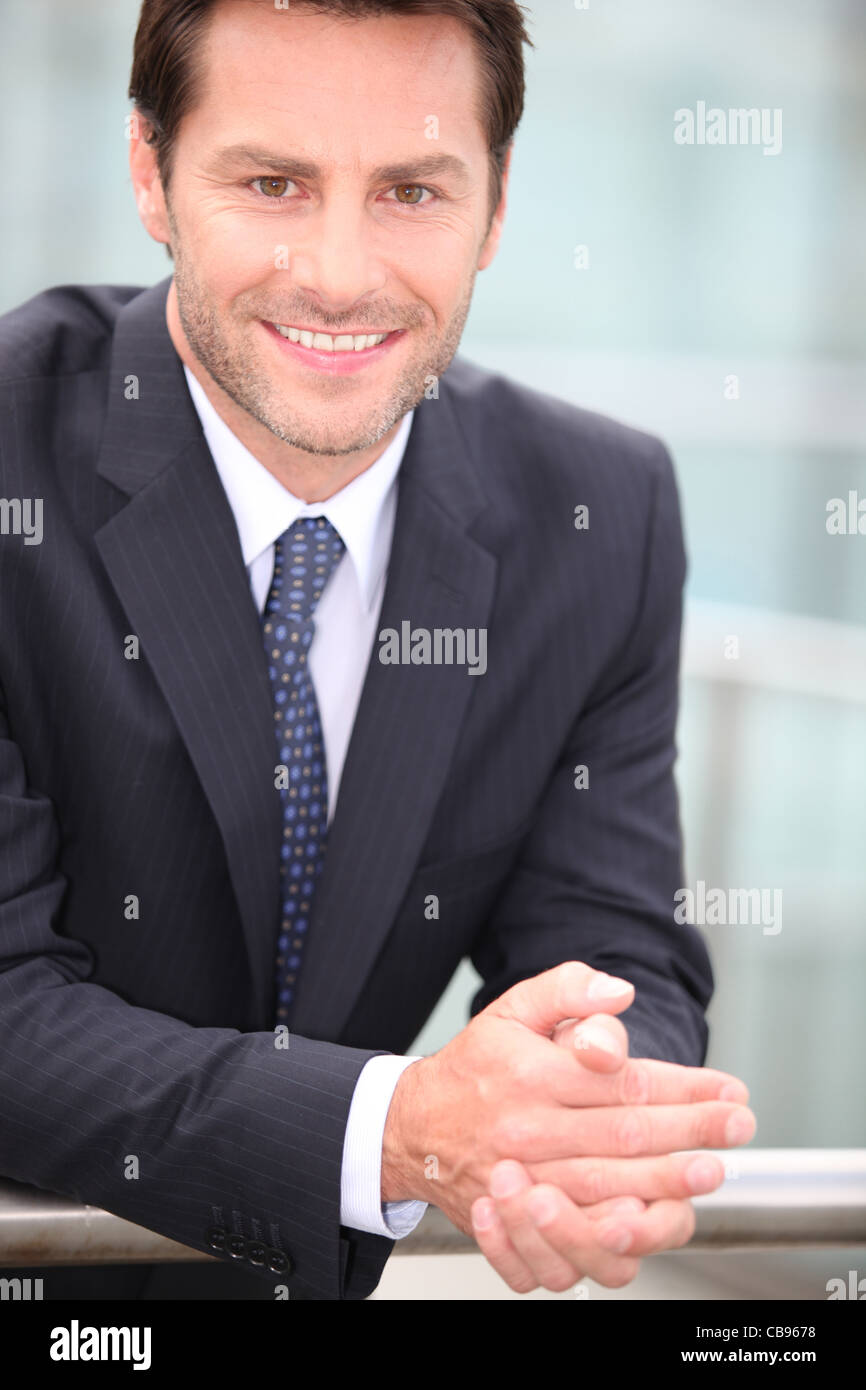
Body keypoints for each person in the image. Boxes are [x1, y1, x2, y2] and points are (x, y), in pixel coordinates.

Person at [0, 0, 754, 1301]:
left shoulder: (598, 512)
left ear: (495, 204)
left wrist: (581, 1111)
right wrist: (397, 1130)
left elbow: (609, 941)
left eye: (411, 190)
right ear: (150, 174)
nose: (341, 275)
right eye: (272, 183)